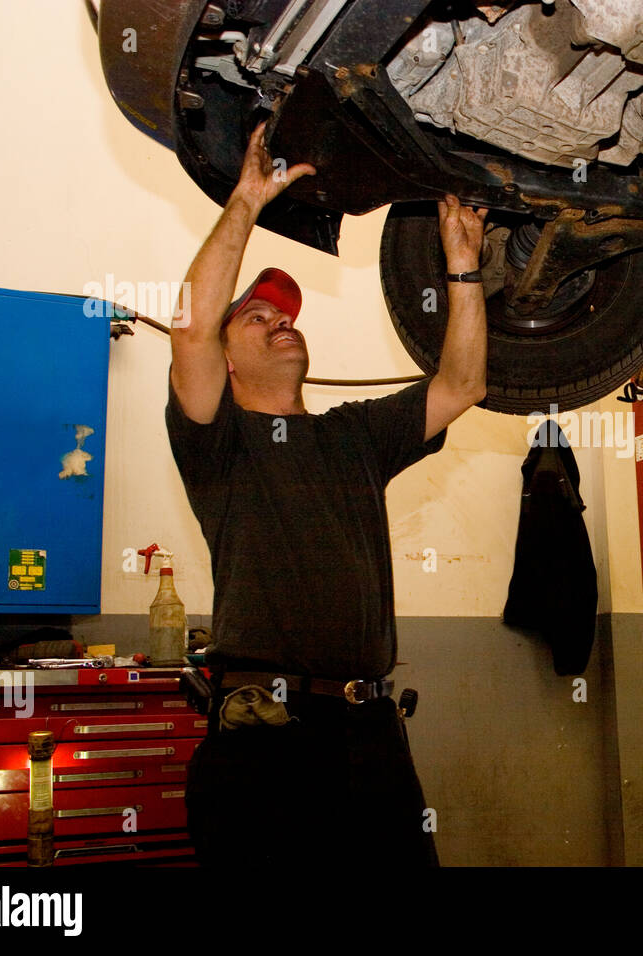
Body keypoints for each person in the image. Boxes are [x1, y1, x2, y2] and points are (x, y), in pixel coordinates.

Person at [166, 120, 487, 867]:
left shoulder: (355, 435)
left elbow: (462, 384)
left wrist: (463, 269)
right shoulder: (217, 443)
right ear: (227, 358)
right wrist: (246, 202)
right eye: (257, 317)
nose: (282, 322)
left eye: (286, 316)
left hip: (370, 739)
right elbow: (188, 331)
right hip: (263, 746)